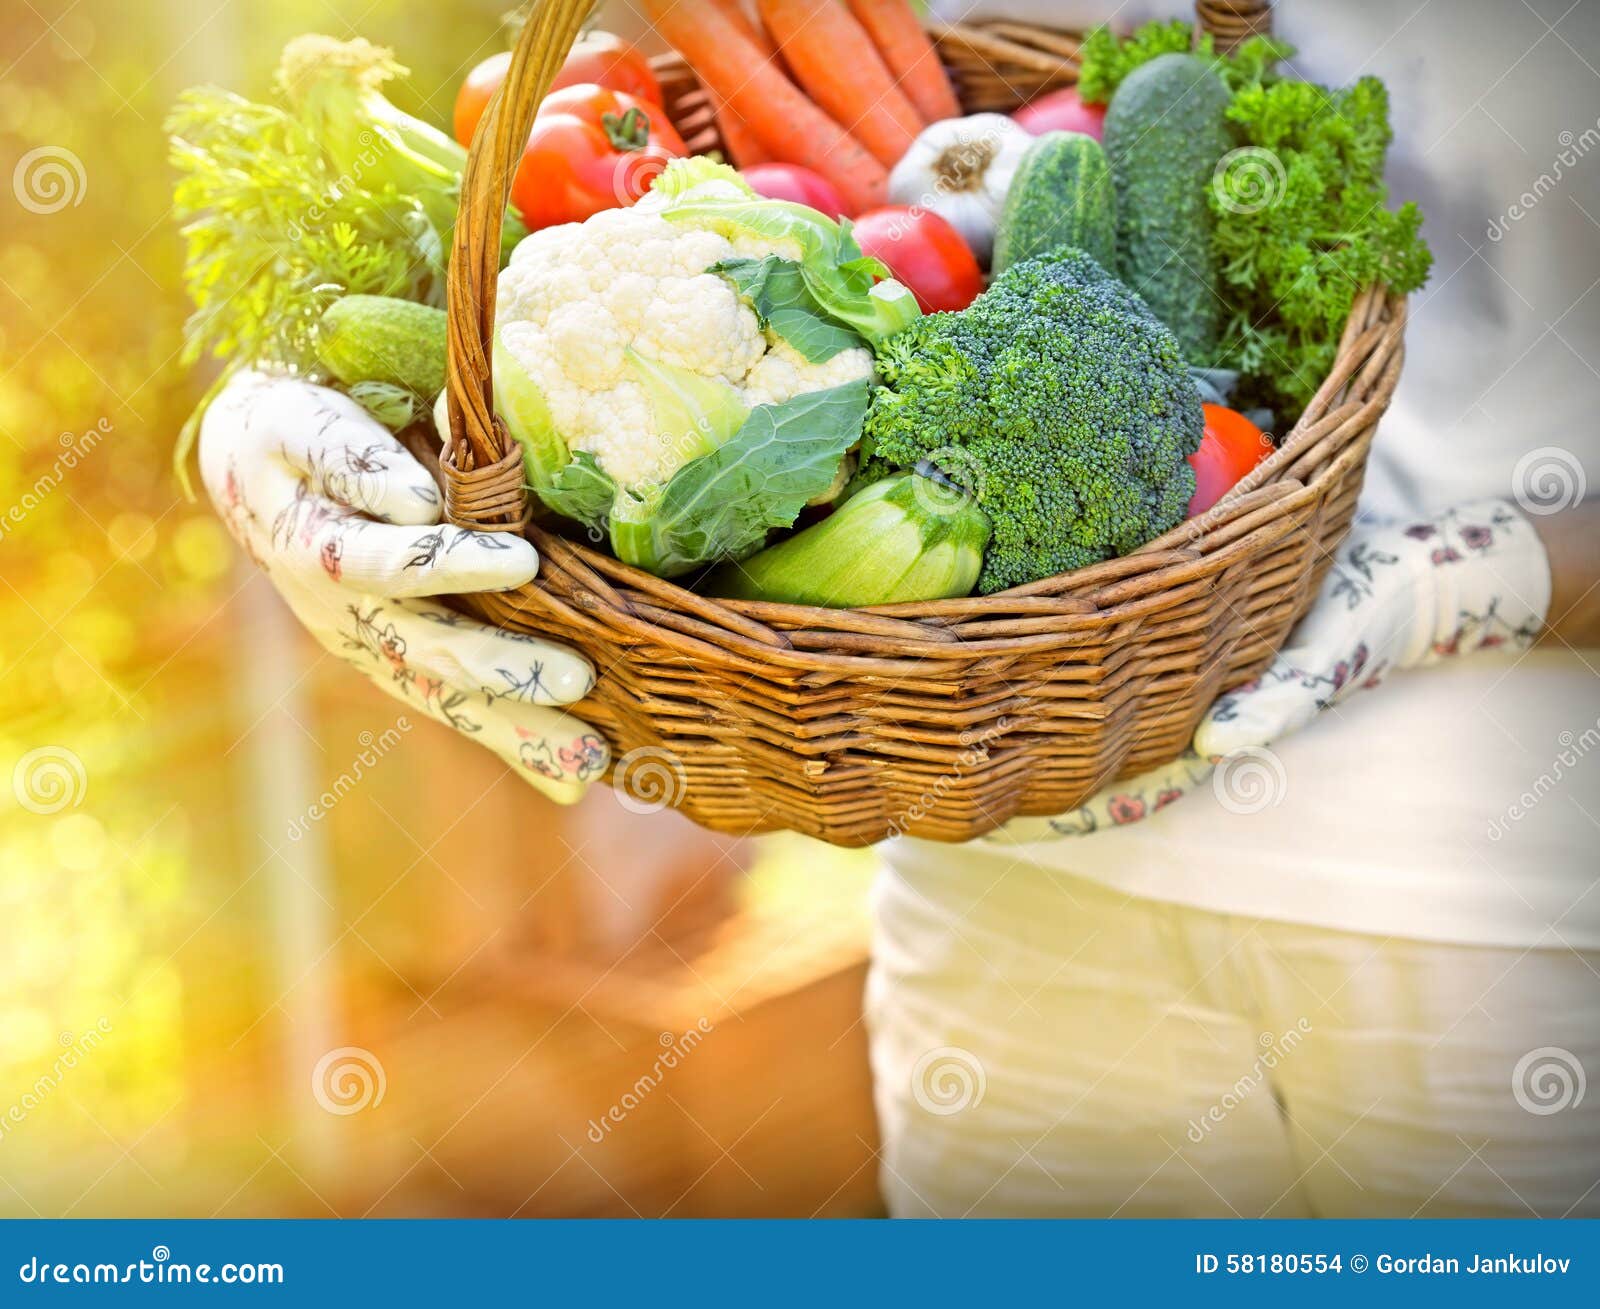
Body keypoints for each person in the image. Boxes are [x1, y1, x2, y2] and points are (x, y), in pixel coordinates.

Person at [199, 0, 1599, 1217]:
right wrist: (269, 408)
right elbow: (581, 145)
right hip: (993, 869)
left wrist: (1488, 578)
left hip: (1492, 921)